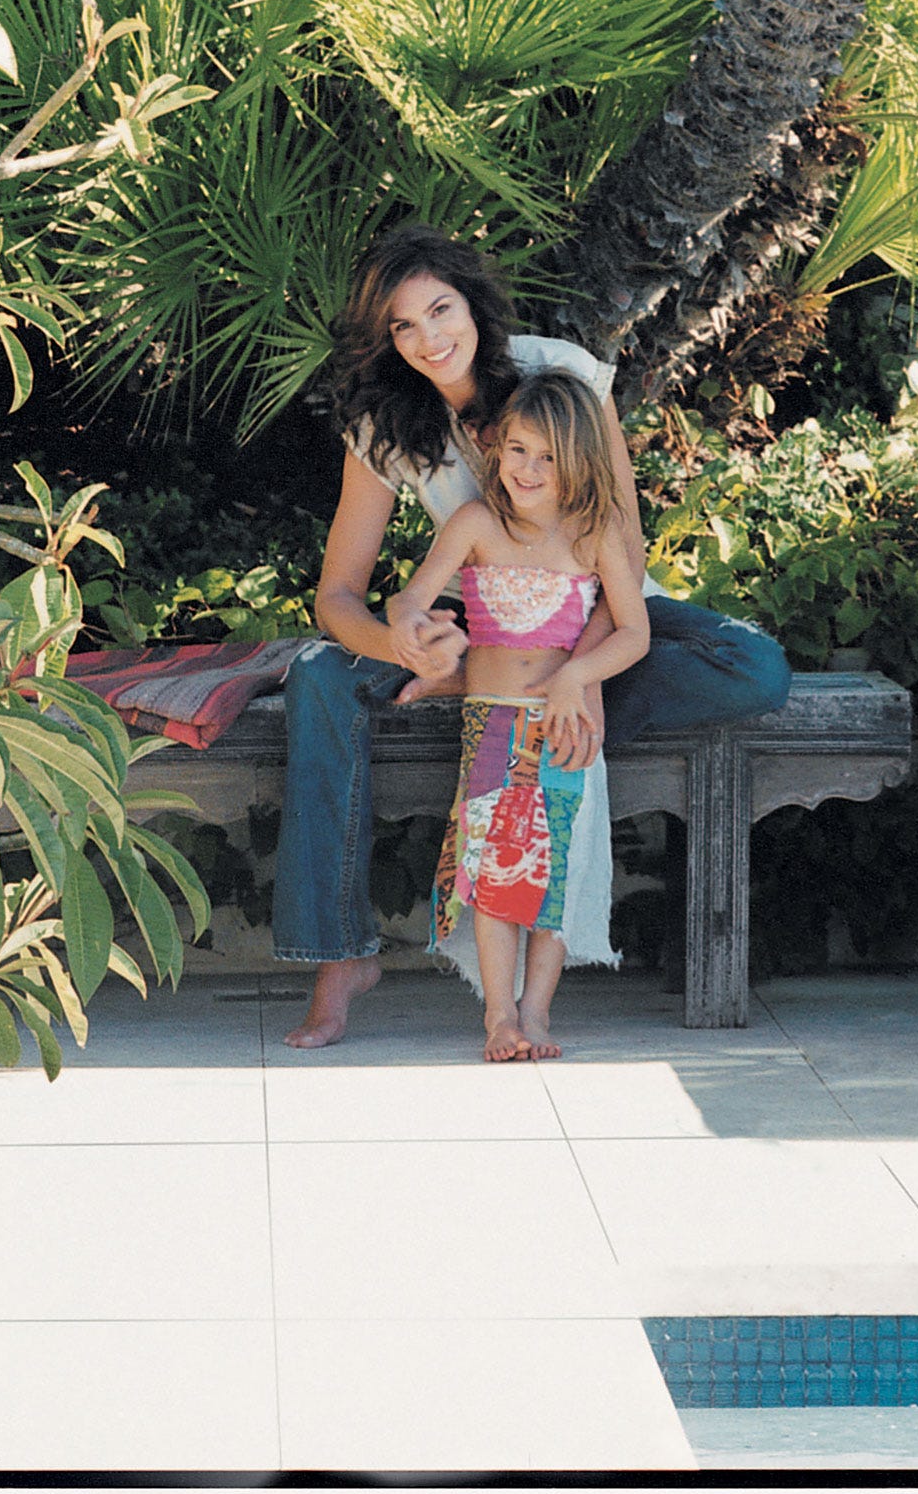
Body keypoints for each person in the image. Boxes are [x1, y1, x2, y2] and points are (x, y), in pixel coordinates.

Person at [274, 221, 791, 1050]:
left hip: (597, 615)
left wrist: (576, 674)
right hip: (483, 628)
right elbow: (338, 595)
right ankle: (338, 956)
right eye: (401, 326)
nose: (426, 338)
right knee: (318, 679)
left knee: (753, 666)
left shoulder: (560, 372)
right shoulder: (383, 424)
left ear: (472, 304)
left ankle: (518, 718)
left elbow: (620, 542)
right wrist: (400, 641)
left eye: (439, 310)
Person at [390, 372, 647, 1061]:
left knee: (553, 871)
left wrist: (575, 676)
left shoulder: (593, 534)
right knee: (490, 873)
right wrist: (416, 631)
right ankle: (497, 1017)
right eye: (518, 451)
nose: (527, 470)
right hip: (490, 729)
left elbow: (633, 632)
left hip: (563, 729)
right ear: (497, 449)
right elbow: (409, 600)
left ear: (579, 465)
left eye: (548, 458)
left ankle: (535, 1015)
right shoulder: (476, 524)